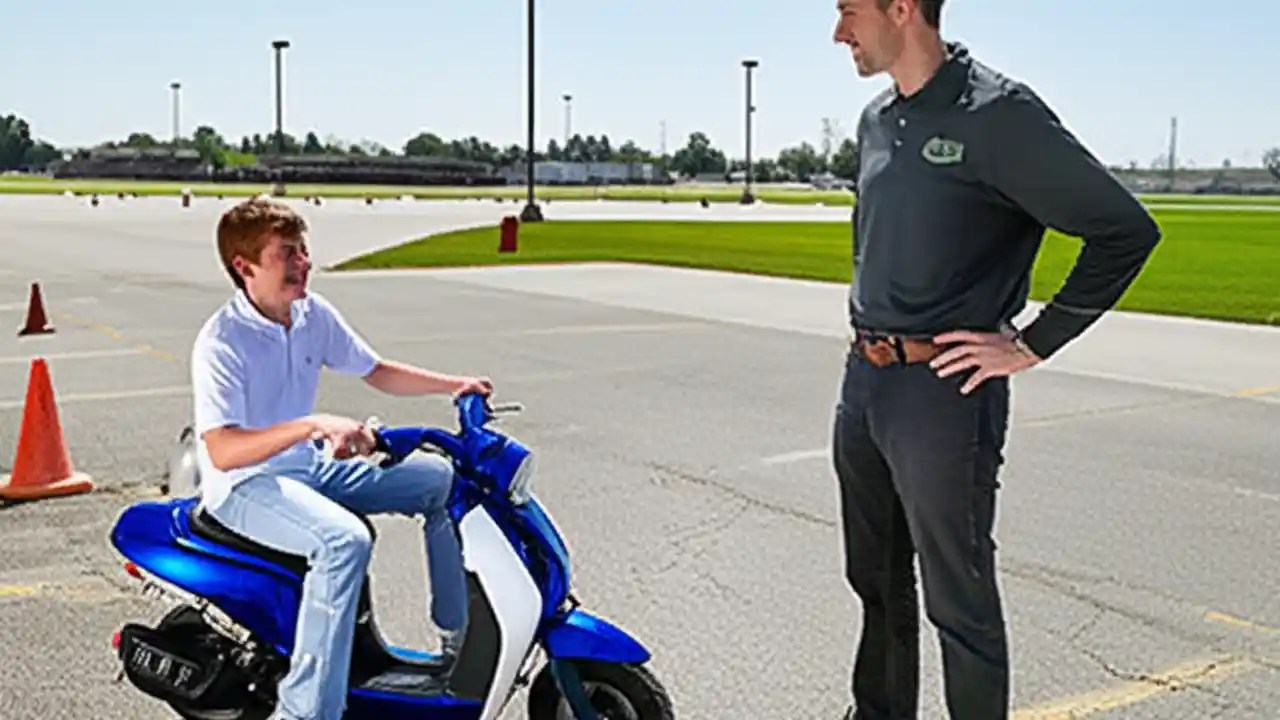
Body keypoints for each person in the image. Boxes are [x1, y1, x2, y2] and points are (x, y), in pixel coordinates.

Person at [829, 1, 1162, 718]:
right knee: (876, 584)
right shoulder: (876, 121)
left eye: (848, 11)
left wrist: (1034, 342)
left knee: (960, 603)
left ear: (901, 9)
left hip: (943, 394)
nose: (839, 33)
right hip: (864, 383)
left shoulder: (998, 114)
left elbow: (1124, 231)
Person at [190, 195, 493, 720]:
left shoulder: (311, 315)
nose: (304, 262)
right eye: (287, 253)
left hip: (307, 466)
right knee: (344, 541)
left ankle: (458, 644)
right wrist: (312, 425)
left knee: (444, 484)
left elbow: (375, 370)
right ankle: (305, 710)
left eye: (303, 250)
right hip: (244, 485)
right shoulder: (222, 342)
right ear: (245, 267)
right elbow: (223, 449)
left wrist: (454, 385)